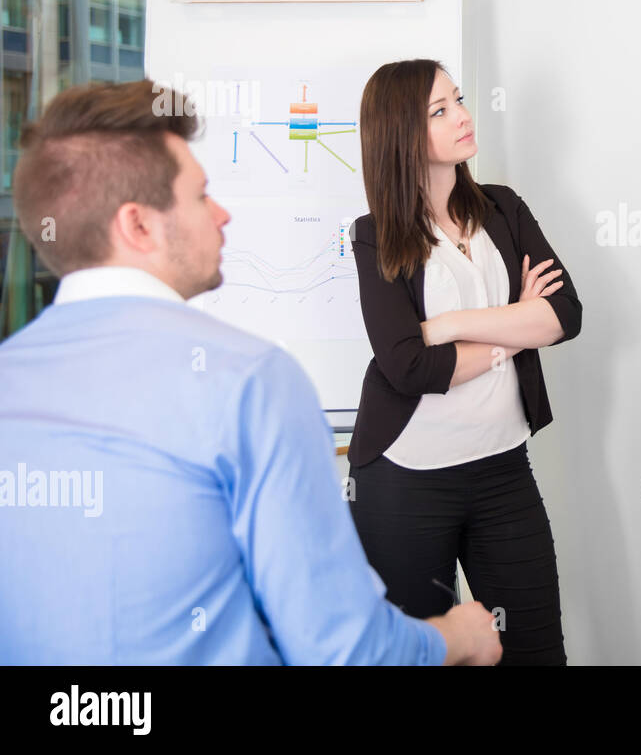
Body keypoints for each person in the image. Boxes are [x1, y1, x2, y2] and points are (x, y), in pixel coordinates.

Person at [0, 79, 500, 665]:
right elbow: (347, 651)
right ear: (138, 226)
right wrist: (460, 637)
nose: (223, 212)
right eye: (201, 195)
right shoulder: (249, 381)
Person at [347, 59, 581, 666]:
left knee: (536, 653)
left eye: (459, 99)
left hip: (503, 469)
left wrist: (448, 328)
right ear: (401, 132)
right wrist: (514, 328)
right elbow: (409, 368)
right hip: (405, 480)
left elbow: (564, 316)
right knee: (417, 655)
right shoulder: (377, 235)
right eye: (440, 110)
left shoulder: (503, 209)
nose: (464, 116)